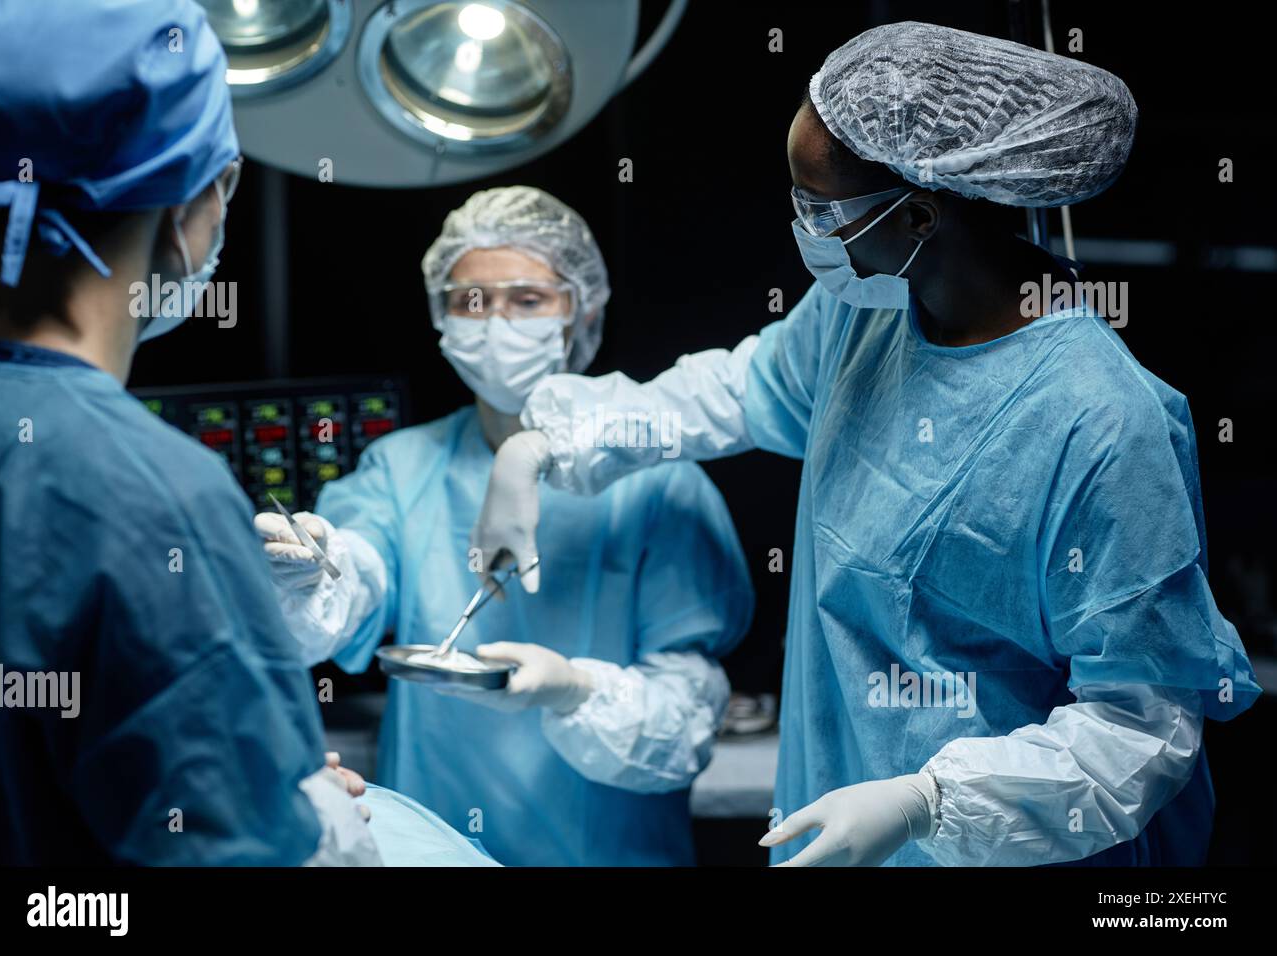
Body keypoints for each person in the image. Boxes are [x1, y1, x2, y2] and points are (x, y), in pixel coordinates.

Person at [469, 22, 1262, 866]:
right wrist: (545, 444)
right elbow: (735, 390)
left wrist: (928, 802)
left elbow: (1136, 726)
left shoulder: (1099, 422)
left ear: (921, 212)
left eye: (819, 207)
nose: (802, 225)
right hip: (832, 815)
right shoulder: (868, 312)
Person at [0, 0, 387, 865]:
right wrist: (307, 813)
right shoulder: (149, 491)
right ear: (188, 206)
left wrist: (245, 766)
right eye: (226, 180)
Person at [254, 186, 754, 866]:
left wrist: (574, 691)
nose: (495, 325)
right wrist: (315, 568)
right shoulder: (404, 469)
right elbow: (356, 579)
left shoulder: (661, 487)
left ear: (581, 310)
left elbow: (685, 729)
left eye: (527, 300)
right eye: (471, 302)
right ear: (442, 315)